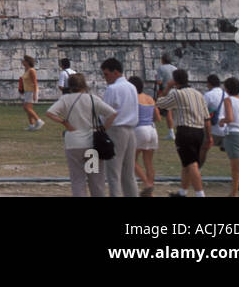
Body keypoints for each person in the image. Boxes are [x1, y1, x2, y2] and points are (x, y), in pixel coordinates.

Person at [46, 72, 117, 197]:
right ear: (84, 85)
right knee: (96, 180)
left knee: (78, 179)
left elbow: (50, 113)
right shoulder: (92, 99)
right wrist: (103, 128)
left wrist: (65, 123)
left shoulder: (65, 99)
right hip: (92, 144)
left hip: (73, 143)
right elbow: (112, 114)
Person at [155, 68, 210, 198]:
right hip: (199, 131)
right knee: (187, 162)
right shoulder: (198, 94)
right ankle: (182, 192)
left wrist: (167, 87)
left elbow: (159, 103)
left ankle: (200, 194)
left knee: (191, 163)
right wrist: (209, 136)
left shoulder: (176, 94)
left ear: (175, 81)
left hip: (185, 131)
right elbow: (206, 117)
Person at [101, 57, 140, 197]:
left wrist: (101, 129)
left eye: (106, 74)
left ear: (115, 72)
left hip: (116, 130)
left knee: (113, 172)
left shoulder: (113, 89)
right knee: (128, 173)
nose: (105, 78)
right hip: (130, 130)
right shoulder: (132, 87)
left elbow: (107, 112)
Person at [130, 76, 160, 196]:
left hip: (139, 129)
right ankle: (149, 191)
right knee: (148, 163)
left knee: (131, 160)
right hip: (152, 130)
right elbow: (157, 117)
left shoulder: (133, 98)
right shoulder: (150, 98)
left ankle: (147, 183)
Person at [156, 54, 178, 141]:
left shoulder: (161, 68)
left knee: (168, 112)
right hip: (176, 90)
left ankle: (171, 132)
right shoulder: (175, 68)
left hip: (166, 90)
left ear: (163, 60)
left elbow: (159, 82)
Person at [19, 55, 42, 130]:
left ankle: (38, 120)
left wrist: (35, 94)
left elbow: (35, 82)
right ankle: (31, 125)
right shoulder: (27, 70)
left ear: (27, 62)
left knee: (26, 107)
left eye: (24, 60)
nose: (22, 62)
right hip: (27, 91)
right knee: (28, 108)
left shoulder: (32, 70)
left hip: (31, 91)